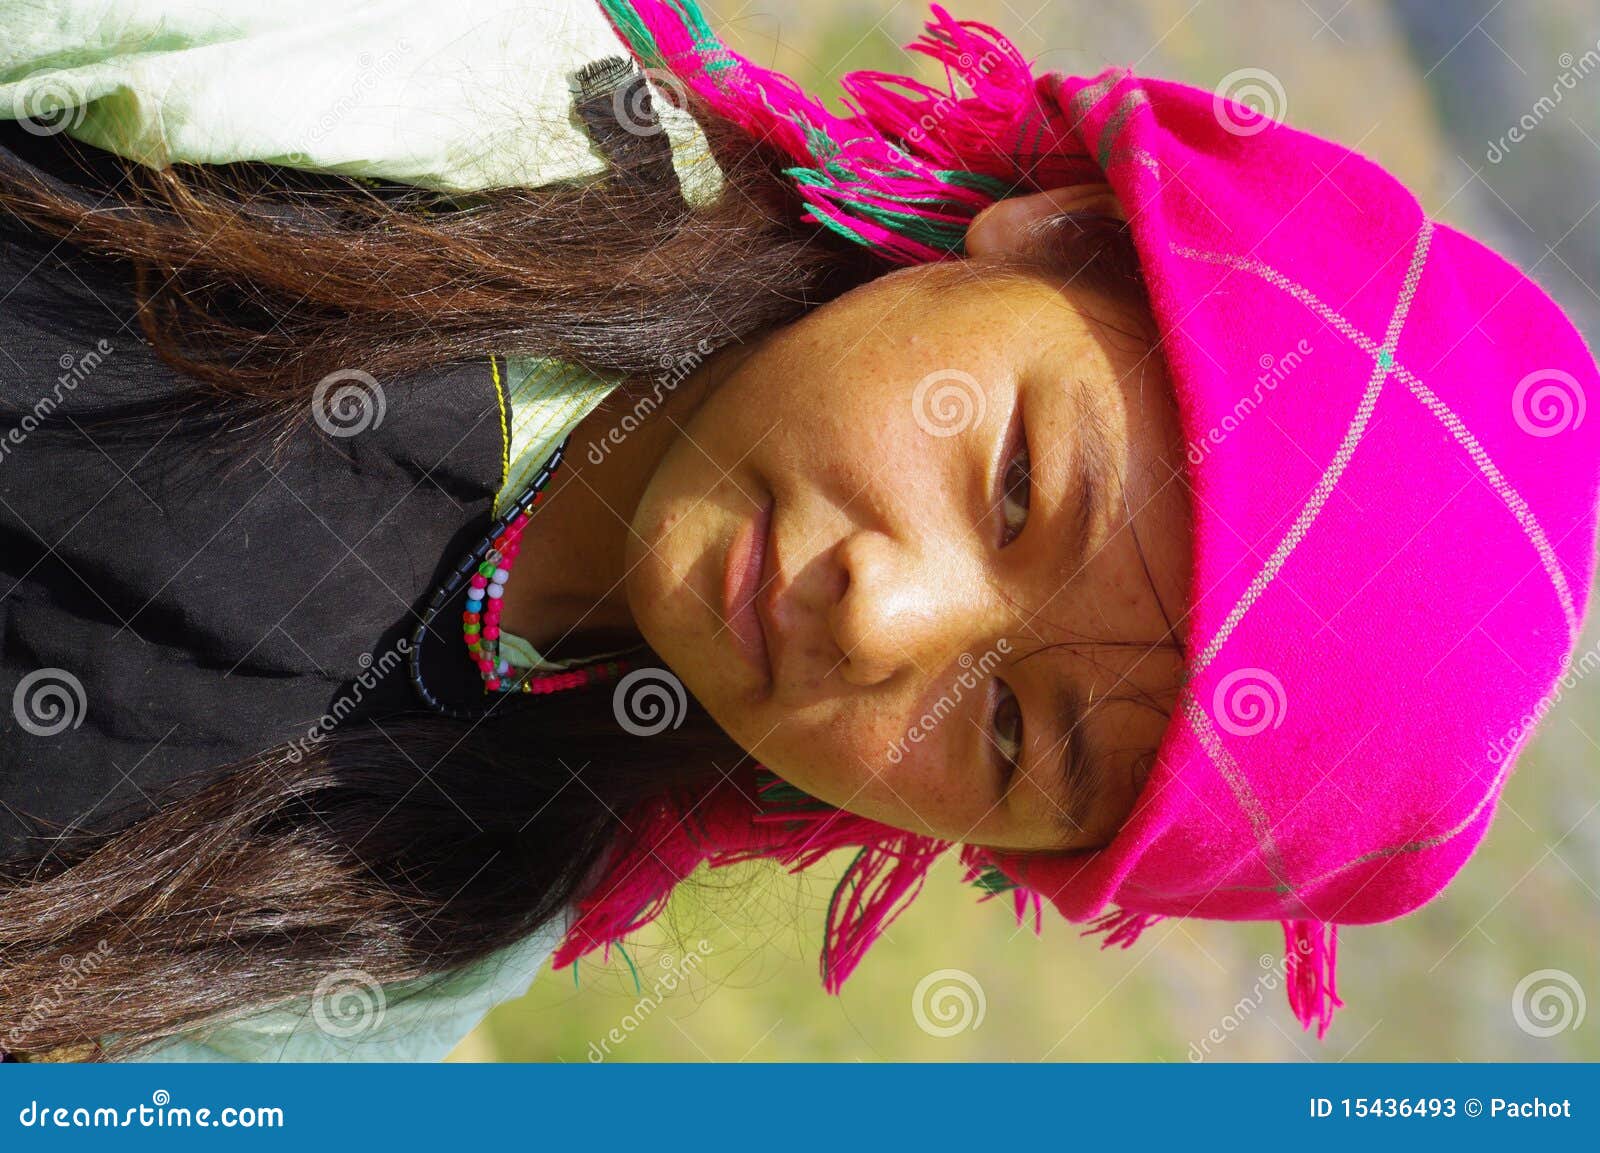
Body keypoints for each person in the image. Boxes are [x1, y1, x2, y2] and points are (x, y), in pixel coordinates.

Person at [1, 0, 1596, 1061]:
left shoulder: (427, 933)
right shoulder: (444, 84)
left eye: (1014, 732)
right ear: (1050, 233)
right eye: (1020, 486)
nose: (883, 617)